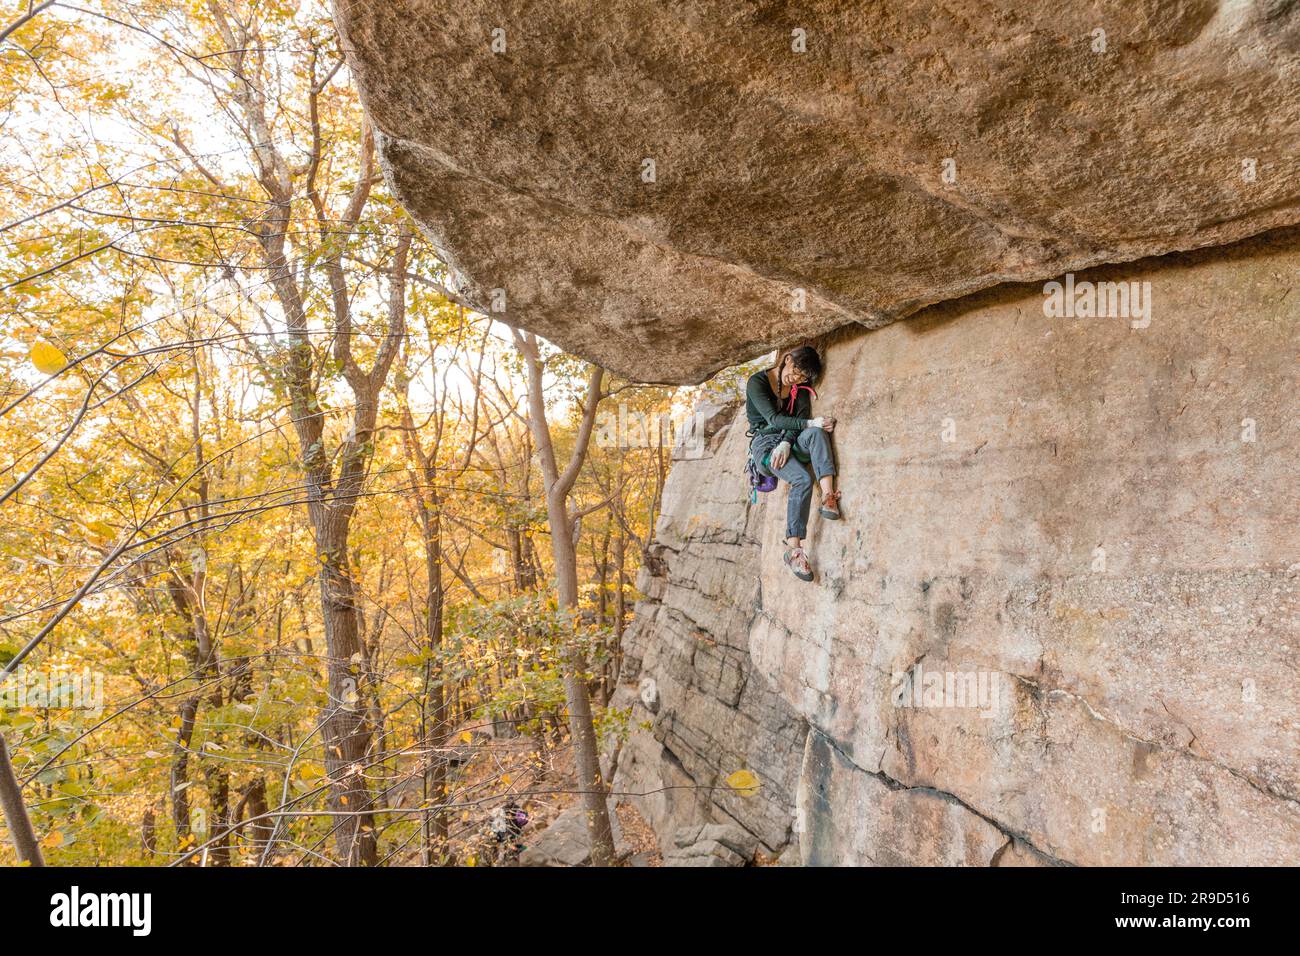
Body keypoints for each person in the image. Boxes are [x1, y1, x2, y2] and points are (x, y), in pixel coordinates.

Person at [745, 346, 840, 582]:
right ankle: (793, 549)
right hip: (765, 445)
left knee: (817, 433)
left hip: (790, 440)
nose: (795, 378)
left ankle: (828, 497)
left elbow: (801, 418)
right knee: (802, 478)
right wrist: (807, 425)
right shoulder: (757, 382)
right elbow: (774, 419)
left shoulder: (799, 388)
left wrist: (787, 442)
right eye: (795, 370)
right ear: (787, 360)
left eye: (802, 377)